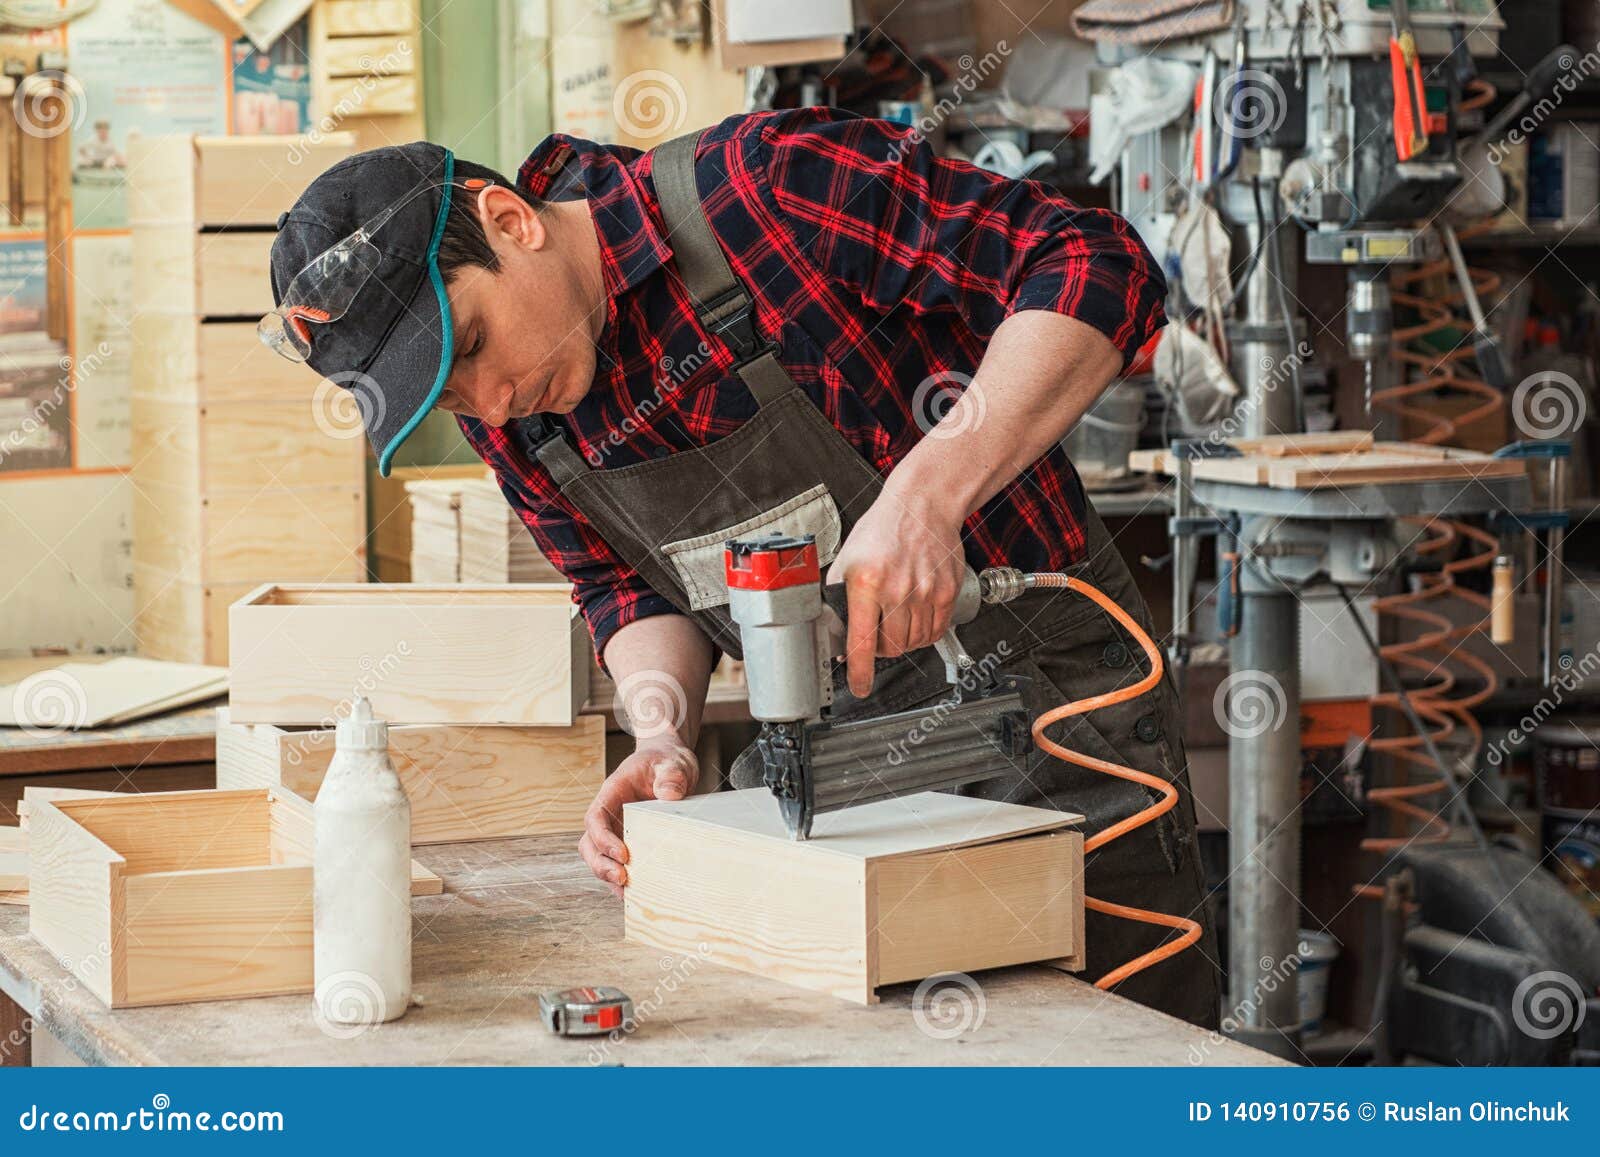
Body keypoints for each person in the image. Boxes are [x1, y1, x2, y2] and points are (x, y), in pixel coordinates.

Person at [265, 109, 1220, 1027]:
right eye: (449, 393)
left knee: (1109, 1064)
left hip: (1052, 722)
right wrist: (661, 730)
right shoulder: (520, 416)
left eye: (472, 344)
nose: (491, 401)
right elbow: (623, 586)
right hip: (843, 772)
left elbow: (1097, 262)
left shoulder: (759, 191)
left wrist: (931, 493)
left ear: (511, 221)